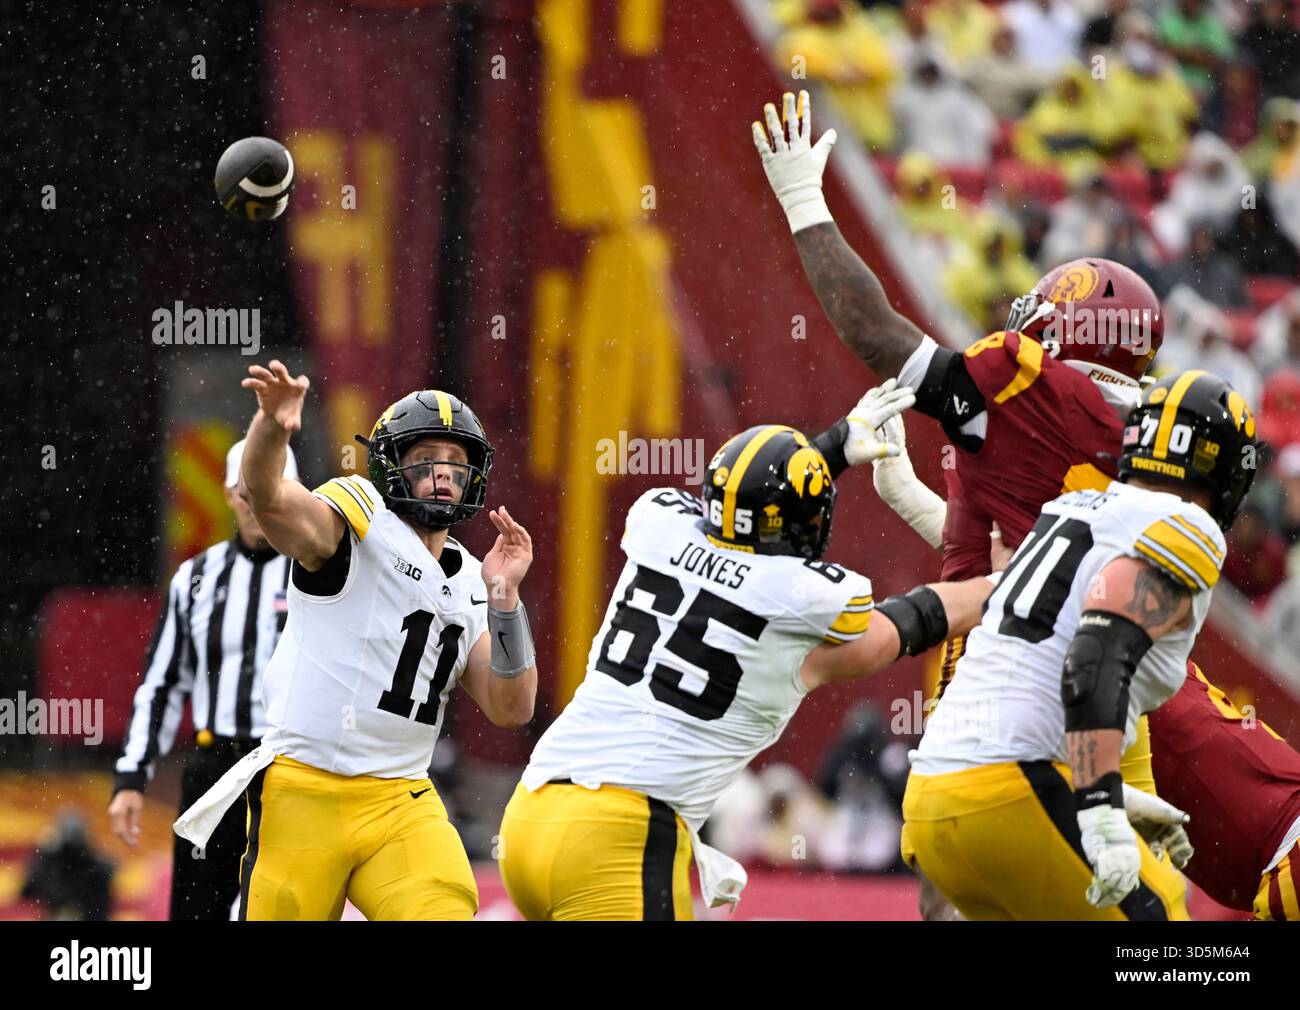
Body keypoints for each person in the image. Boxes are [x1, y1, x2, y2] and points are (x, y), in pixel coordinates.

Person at [749, 89, 1259, 919]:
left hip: (1012, 685)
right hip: (1120, 674)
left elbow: (881, 337)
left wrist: (806, 204)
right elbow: (1052, 552)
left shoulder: (1028, 384)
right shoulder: (1157, 443)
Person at [496, 400, 1006, 920]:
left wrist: (826, 450)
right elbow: (899, 625)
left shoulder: (659, 529)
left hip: (530, 816)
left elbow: (732, 525)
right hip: (616, 842)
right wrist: (1005, 582)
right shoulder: (797, 600)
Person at [174, 362, 539, 920]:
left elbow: (511, 707)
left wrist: (507, 604)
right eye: (426, 461)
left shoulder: (471, 578)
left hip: (401, 800)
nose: (444, 476)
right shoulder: (359, 519)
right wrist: (271, 426)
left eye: (457, 464)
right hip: (305, 788)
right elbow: (268, 497)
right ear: (391, 467)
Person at [904, 370, 1259, 919]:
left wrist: (1106, 790)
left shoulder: (1069, 509)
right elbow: (1094, 656)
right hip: (1011, 789)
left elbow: (1018, 652)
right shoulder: (1182, 525)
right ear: (1221, 465)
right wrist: (1099, 808)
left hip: (934, 801)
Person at [109, 439, 298, 920]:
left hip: (293, 772)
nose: (256, 501)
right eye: (244, 490)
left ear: (292, 493)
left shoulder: (316, 575)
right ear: (228, 495)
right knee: (196, 911)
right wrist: (133, 775)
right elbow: (163, 682)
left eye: (268, 488)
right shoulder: (195, 578)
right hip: (215, 769)